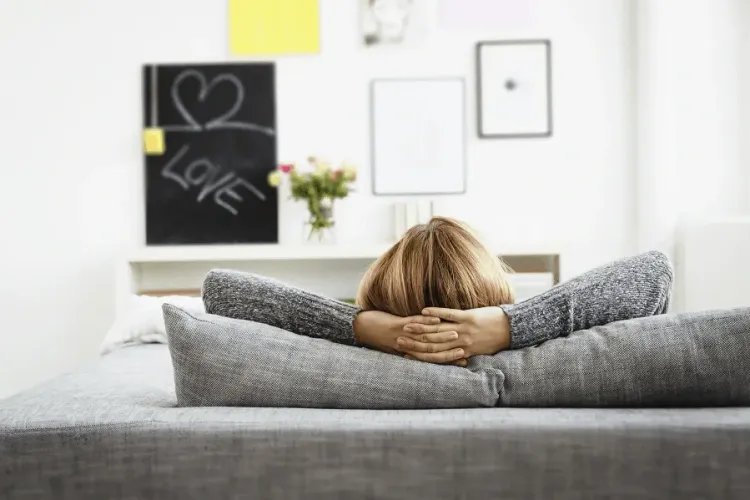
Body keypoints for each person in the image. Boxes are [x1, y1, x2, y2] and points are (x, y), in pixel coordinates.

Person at [204, 217, 673, 365]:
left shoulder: (367, 353)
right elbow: (653, 273)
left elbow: (220, 291)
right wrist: (511, 327)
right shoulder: (536, 352)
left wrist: (361, 327)